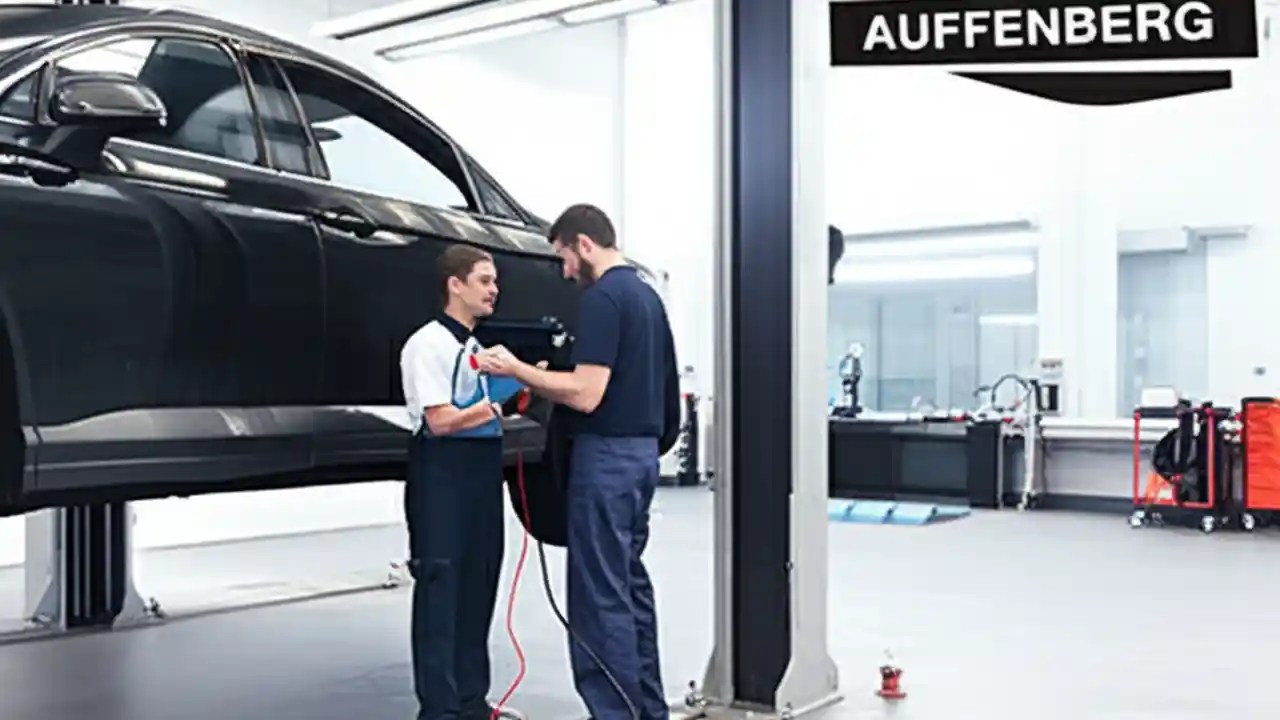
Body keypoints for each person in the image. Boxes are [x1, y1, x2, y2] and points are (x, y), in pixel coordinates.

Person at [476, 204, 678, 720]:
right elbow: (664, 390)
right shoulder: (648, 297)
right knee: (629, 588)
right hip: (640, 457)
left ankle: (613, 713)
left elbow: (587, 394)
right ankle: (646, 710)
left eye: (564, 257)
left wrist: (519, 370)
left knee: (598, 597)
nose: (564, 272)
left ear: (584, 244)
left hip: (606, 458)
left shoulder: (604, 299)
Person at [399, 244, 522, 720]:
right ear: (455, 284)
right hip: (442, 473)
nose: (495, 290)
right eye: (485, 280)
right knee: (442, 588)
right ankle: (440, 710)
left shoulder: (478, 349)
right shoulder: (426, 344)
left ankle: (473, 702)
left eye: (494, 281)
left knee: (479, 583)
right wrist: (497, 405)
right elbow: (440, 421)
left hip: (482, 471)